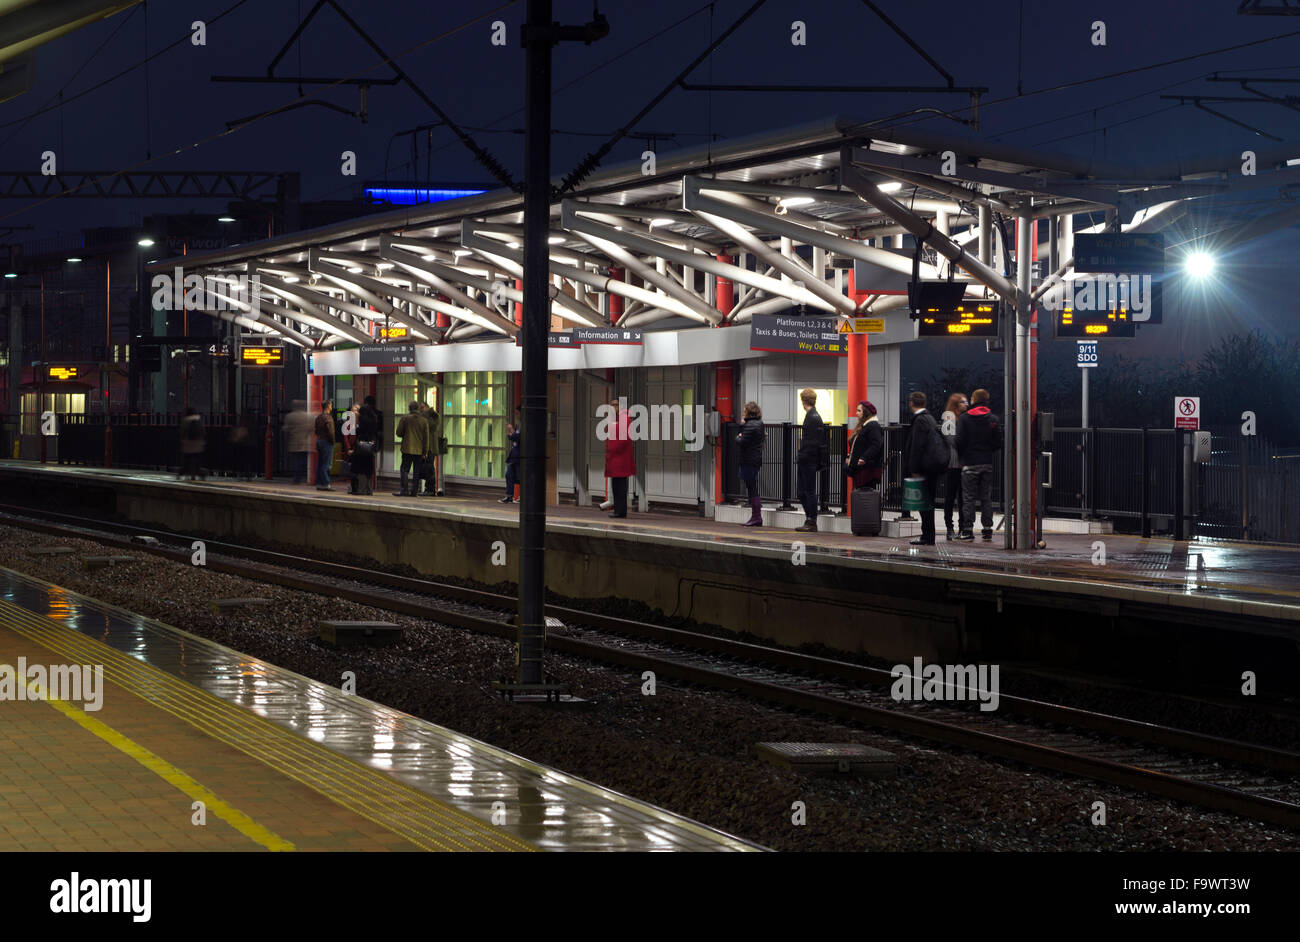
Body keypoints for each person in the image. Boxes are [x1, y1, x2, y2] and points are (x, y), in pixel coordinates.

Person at [955, 388, 1004, 543]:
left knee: (968, 497)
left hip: (969, 462)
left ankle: (968, 530)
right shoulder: (993, 419)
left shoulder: (964, 418)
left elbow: (959, 441)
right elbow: (998, 443)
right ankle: (987, 529)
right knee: (986, 498)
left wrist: (963, 455)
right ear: (986, 400)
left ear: (974, 400)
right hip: (986, 462)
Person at [904, 390, 944, 546]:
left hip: (923, 468)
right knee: (928, 503)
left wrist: (914, 468)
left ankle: (927, 536)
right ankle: (928, 536)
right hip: (931, 467)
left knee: (924, 504)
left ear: (911, 403)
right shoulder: (930, 418)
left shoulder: (920, 420)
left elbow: (917, 446)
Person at [794, 388, 828, 533]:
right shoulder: (813, 416)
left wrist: (803, 455)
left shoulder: (812, 417)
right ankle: (809, 519)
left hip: (808, 459)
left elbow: (812, 442)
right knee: (802, 491)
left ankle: (811, 520)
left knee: (807, 490)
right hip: (808, 458)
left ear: (803, 401)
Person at [941, 392, 969, 541]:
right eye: (963, 402)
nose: (966, 404)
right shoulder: (948, 416)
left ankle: (963, 527)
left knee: (963, 498)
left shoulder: (964, 419)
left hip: (962, 462)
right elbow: (950, 439)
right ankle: (949, 528)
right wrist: (966, 445)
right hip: (953, 462)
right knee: (950, 497)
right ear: (956, 404)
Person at [735, 401, 765, 526]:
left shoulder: (750, 425)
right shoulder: (759, 423)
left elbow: (742, 441)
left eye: (744, 411)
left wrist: (739, 435)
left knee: (752, 488)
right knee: (753, 487)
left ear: (748, 412)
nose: (743, 413)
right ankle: (756, 517)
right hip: (755, 459)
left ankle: (756, 517)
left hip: (748, 460)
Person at [604, 399, 634, 518]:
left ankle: (621, 511)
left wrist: (614, 450)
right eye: (612, 405)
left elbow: (624, 439)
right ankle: (618, 510)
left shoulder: (625, 419)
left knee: (621, 487)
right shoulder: (614, 419)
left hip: (620, 458)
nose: (613, 407)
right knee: (615, 486)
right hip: (614, 459)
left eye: (615, 405)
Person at [845, 400, 884, 491]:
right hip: (862, 469)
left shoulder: (872, 426)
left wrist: (864, 458)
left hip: (867, 470)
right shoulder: (866, 426)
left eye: (859, 411)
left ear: (866, 412)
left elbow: (876, 444)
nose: (856, 413)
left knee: (865, 495)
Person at [393, 401, 428, 496]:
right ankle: (414, 492)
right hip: (419, 450)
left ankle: (404, 490)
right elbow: (426, 438)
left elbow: (399, 433)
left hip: (407, 448)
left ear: (409, 408)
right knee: (416, 471)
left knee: (404, 469)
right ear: (418, 408)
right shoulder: (424, 420)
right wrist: (425, 452)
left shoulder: (405, 418)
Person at [284, 400, 313, 484]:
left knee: (296, 461)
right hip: (305, 442)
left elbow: (286, 429)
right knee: (303, 461)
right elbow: (311, 428)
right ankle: (301, 476)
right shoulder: (308, 416)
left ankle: (297, 479)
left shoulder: (290, 416)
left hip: (295, 442)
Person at [178, 407, 205, 481]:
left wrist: (182, 440)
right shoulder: (199, 420)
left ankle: (183, 471)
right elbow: (203, 431)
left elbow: (182, 432)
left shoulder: (185, 420)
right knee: (197, 458)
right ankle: (199, 472)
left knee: (186, 458)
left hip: (188, 443)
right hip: (198, 443)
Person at [314, 399, 335, 491]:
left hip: (319, 440)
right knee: (327, 464)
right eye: (331, 405)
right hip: (327, 442)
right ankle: (326, 483)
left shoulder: (318, 417)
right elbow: (331, 432)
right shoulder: (328, 418)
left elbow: (316, 430)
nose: (331, 406)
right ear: (328, 406)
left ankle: (319, 483)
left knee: (320, 463)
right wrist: (333, 441)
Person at [501, 422, 521, 503]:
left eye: (517, 412)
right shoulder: (518, 426)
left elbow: (516, 437)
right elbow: (512, 437)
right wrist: (511, 432)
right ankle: (509, 496)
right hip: (513, 457)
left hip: (519, 457)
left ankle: (522, 496)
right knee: (509, 475)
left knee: (519, 478)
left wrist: (511, 430)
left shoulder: (523, 425)